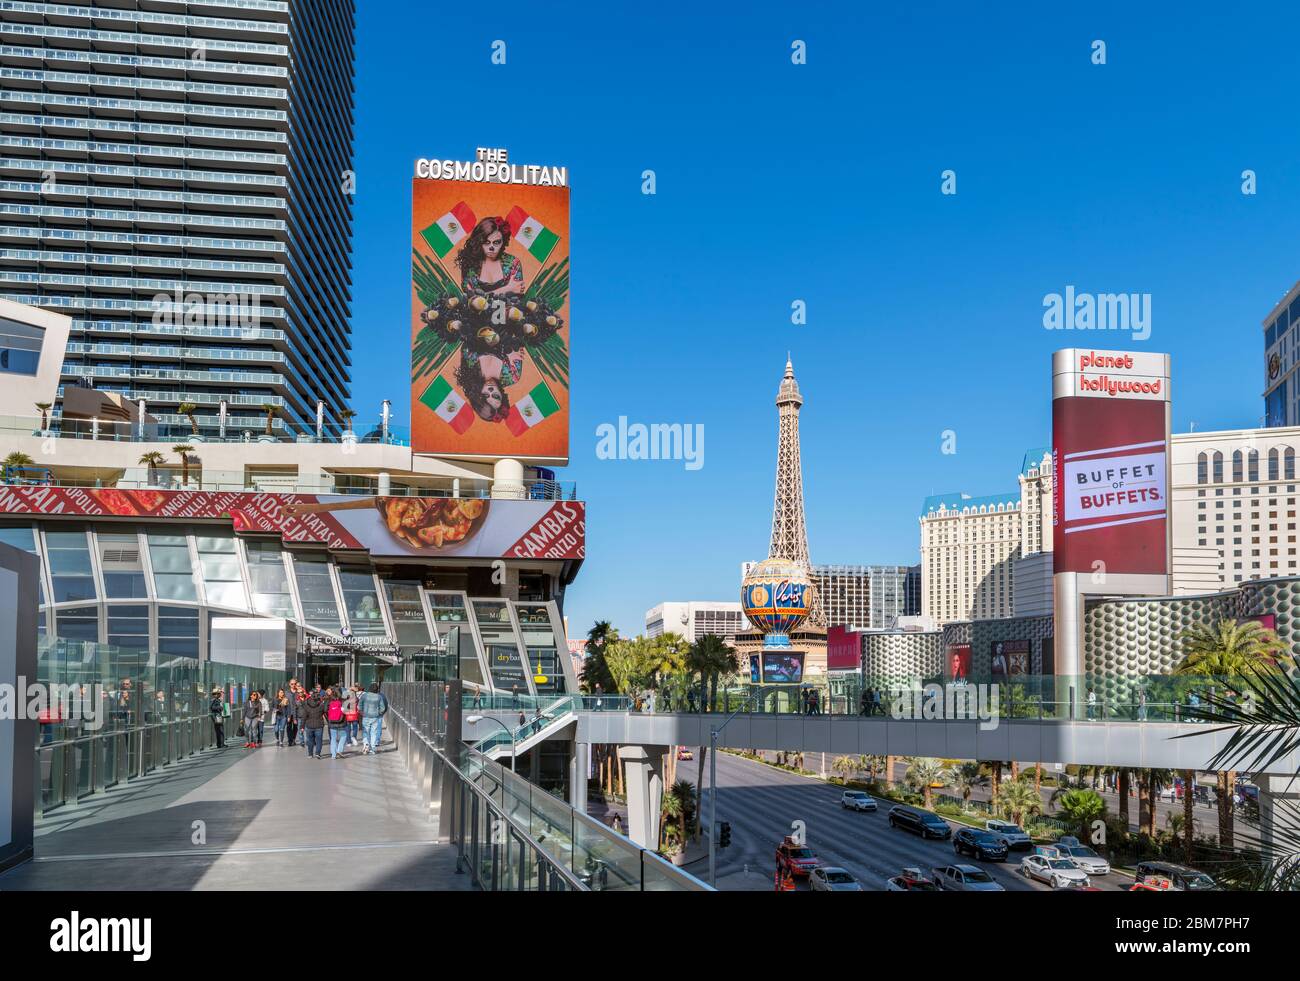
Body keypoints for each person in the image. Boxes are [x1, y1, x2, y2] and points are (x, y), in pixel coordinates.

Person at [359, 682, 388, 755]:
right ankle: (372, 749)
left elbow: (360, 705)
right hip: (375, 717)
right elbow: (383, 708)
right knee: (373, 733)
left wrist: (362, 712)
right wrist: (379, 713)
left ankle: (366, 744)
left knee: (366, 731)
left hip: (365, 716)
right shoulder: (379, 697)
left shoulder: (364, 695)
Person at [300, 688, 326, 759]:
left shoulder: (306, 705)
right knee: (319, 740)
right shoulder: (321, 705)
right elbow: (325, 713)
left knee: (310, 740)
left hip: (309, 725)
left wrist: (302, 727)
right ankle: (318, 753)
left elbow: (304, 716)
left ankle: (310, 754)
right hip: (319, 725)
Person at [326, 687, 349, 760]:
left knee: (333, 738)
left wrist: (329, 718)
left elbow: (325, 710)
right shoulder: (343, 701)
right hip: (341, 722)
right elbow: (347, 710)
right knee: (344, 736)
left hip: (332, 722)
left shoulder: (329, 701)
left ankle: (333, 755)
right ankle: (339, 750)